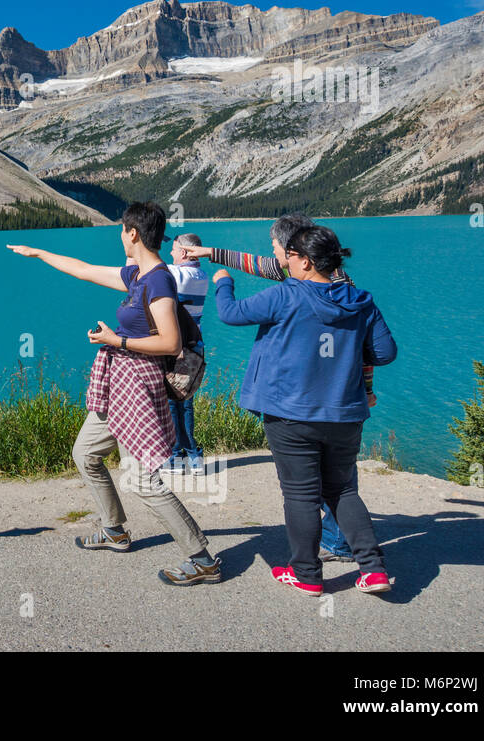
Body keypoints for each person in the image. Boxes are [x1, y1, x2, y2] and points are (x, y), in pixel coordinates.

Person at [8, 202, 222, 587]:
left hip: (138, 388)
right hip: (117, 385)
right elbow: (86, 271)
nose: (120, 235)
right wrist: (39, 253)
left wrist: (116, 339)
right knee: (85, 453)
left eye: (122, 230)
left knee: (142, 481)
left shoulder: (157, 280)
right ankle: (114, 531)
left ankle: (201, 558)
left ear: (133, 233)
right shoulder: (137, 274)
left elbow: (171, 342)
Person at [213, 225, 397, 597]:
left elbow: (230, 314)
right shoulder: (361, 300)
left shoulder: (285, 296)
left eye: (290, 257)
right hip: (344, 414)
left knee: (300, 495)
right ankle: (374, 570)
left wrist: (222, 280)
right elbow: (385, 352)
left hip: (291, 414)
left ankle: (308, 574)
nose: (286, 263)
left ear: (306, 261)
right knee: (342, 490)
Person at [183, 213, 373, 562]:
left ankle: (335, 544)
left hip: (322, 395)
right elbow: (255, 264)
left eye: (275, 248)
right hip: (337, 397)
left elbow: (359, 345)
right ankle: (341, 540)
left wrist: (367, 386)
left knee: (326, 479)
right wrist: (209, 253)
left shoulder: (328, 284)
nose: (270, 256)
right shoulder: (308, 272)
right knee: (336, 475)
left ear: (294, 252)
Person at [162, 232, 208, 475]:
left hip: (176, 347)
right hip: (195, 345)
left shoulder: (178, 274)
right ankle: (194, 458)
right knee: (186, 403)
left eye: (174, 248)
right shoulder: (201, 275)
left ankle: (174, 457)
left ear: (185, 252)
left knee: (170, 401)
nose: (170, 252)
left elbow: (146, 269)